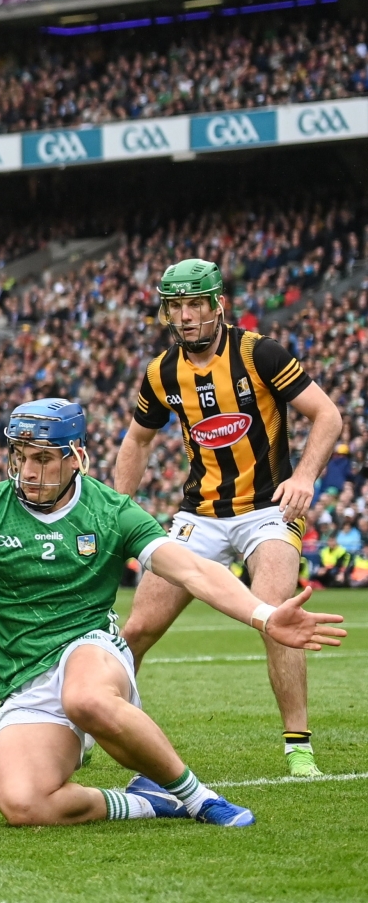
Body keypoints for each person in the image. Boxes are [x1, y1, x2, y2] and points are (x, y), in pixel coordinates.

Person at [0, 399, 348, 828]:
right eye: (20, 457)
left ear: (77, 457)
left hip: (91, 650)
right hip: (23, 678)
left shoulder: (111, 511)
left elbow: (192, 569)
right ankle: (150, 801)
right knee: (25, 805)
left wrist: (263, 615)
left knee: (87, 697)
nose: (28, 471)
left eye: (44, 459)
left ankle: (198, 797)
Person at [112, 259, 344, 777]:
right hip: (200, 515)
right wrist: (116, 508)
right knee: (139, 627)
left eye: (197, 303)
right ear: (167, 312)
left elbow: (327, 415)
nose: (187, 315)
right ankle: (99, 721)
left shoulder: (259, 353)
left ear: (218, 304)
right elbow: (139, 439)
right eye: (177, 305)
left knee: (275, 612)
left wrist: (304, 476)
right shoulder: (161, 371)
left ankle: (297, 745)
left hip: (268, 511)